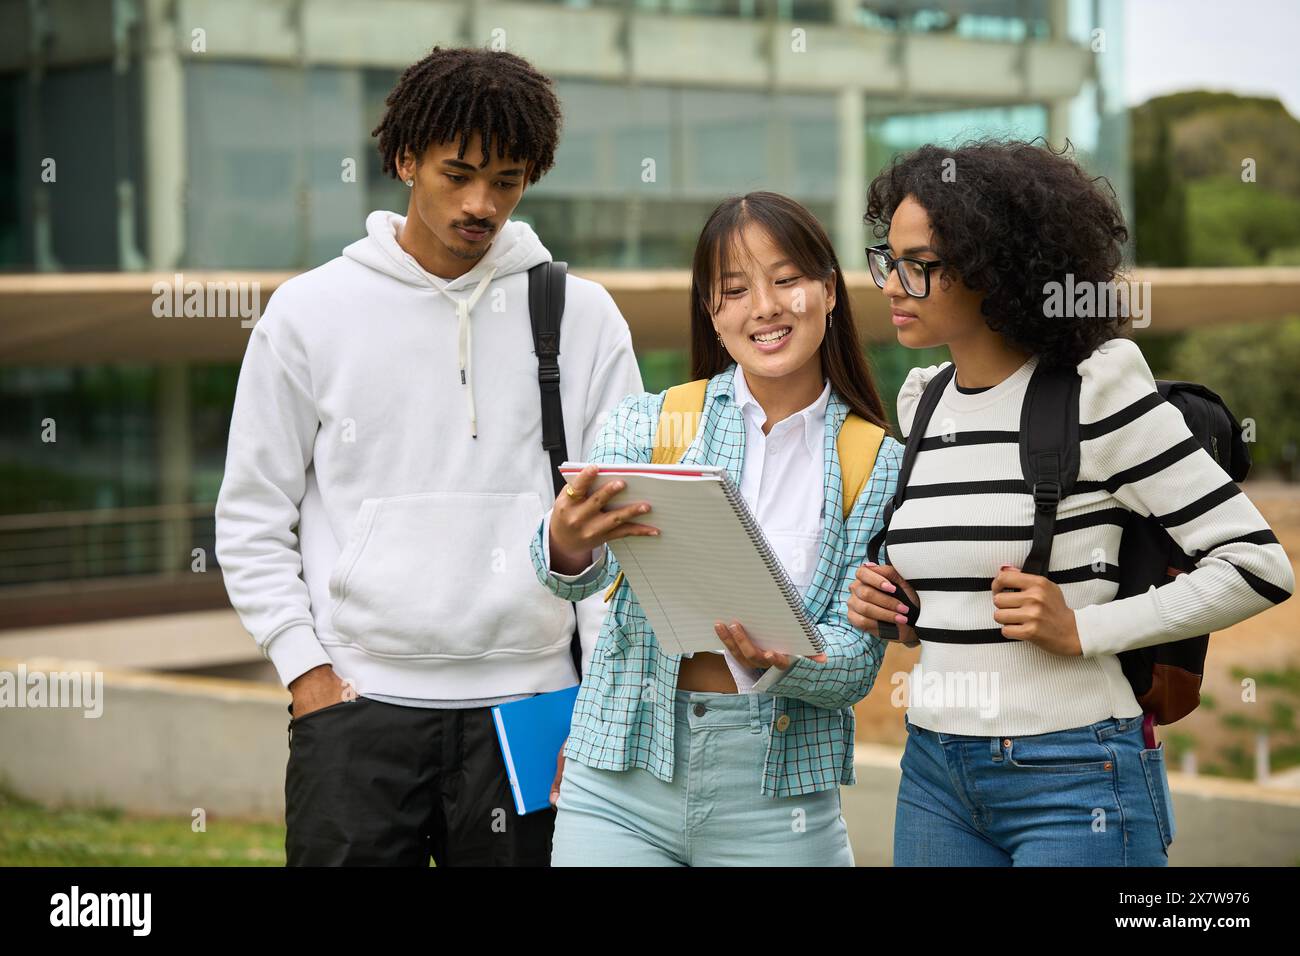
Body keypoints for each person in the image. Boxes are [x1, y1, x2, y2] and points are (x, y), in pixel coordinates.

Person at [214, 46, 642, 866]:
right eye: (459, 173)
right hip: (358, 709)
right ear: (405, 159)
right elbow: (252, 512)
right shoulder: (310, 313)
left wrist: (594, 703)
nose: (483, 203)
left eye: (508, 180)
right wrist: (306, 672)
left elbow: (615, 523)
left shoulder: (583, 317)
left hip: (535, 709)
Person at [848, 140, 1296, 866]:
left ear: (993, 271)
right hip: (933, 770)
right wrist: (894, 608)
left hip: (1077, 776)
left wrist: (1084, 629)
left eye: (918, 266)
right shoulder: (923, 403)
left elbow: (1258, 565)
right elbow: (952, 602)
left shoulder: (1099, 392)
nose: (892, 285)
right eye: (886, 259)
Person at [531, 191, 903, 866]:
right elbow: (574, 579)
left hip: (778, 791)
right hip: (620, 777)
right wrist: (569, 539)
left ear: (827, 291)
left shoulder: (876, 461)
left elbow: (857, 664)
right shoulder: (649, 424)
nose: (762, 306)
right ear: (711, 311)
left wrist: (791, 663)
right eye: (733, 290)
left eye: (786, 280)